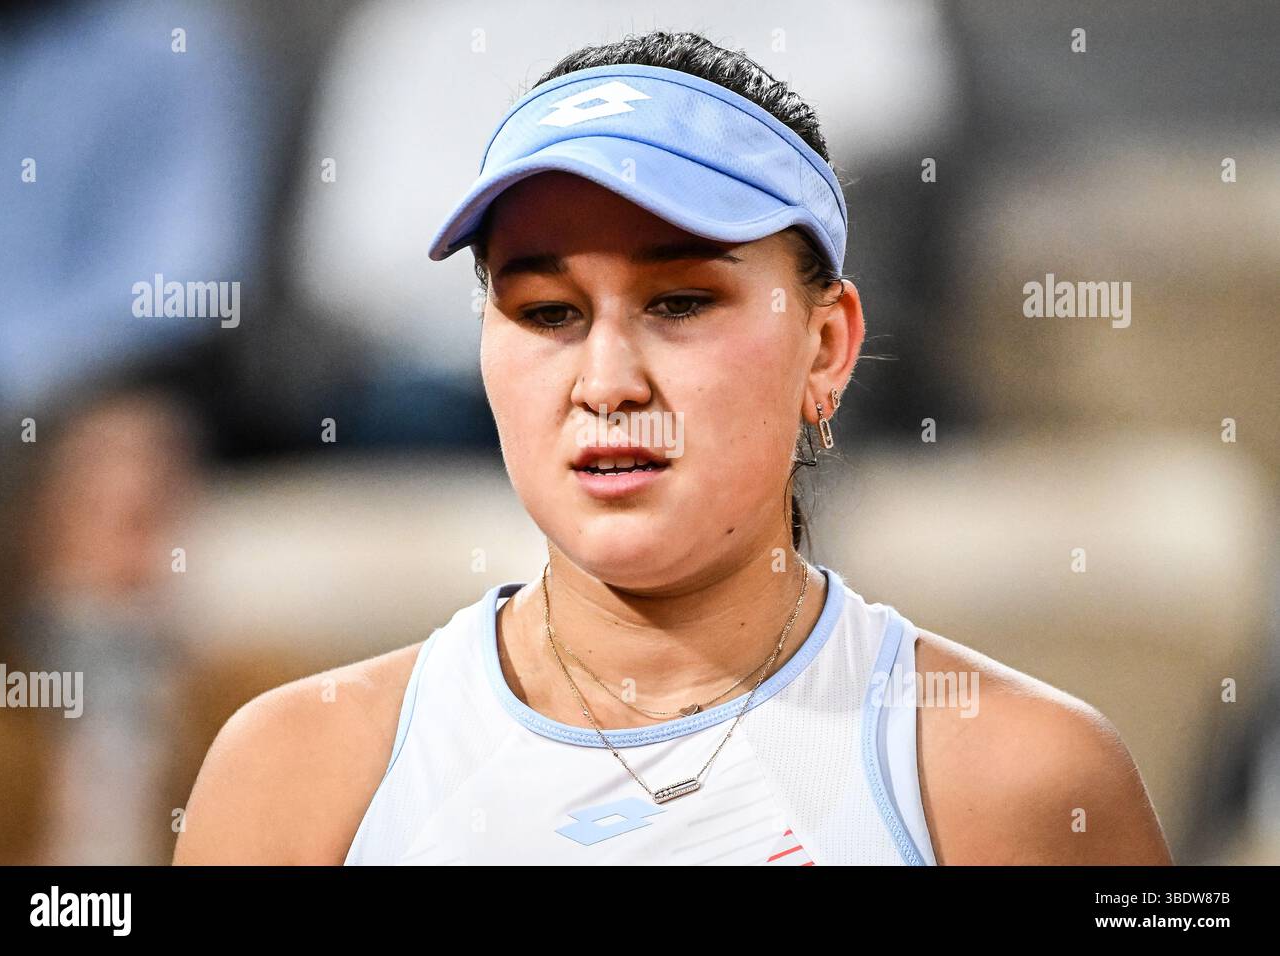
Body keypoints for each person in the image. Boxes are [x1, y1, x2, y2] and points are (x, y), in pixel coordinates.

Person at [173, 31, 1172, 866]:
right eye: (546, 309)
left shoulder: (1023, 778)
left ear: (825, 346)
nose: (607, 380)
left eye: (680, 302)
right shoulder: (291, 775)